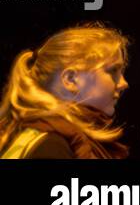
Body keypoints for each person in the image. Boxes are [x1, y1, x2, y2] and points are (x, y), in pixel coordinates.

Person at [0, 23, 131, 159]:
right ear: (71, 79)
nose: (124, 83)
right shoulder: (51, 147)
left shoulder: (54, 138)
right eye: (113, 71)